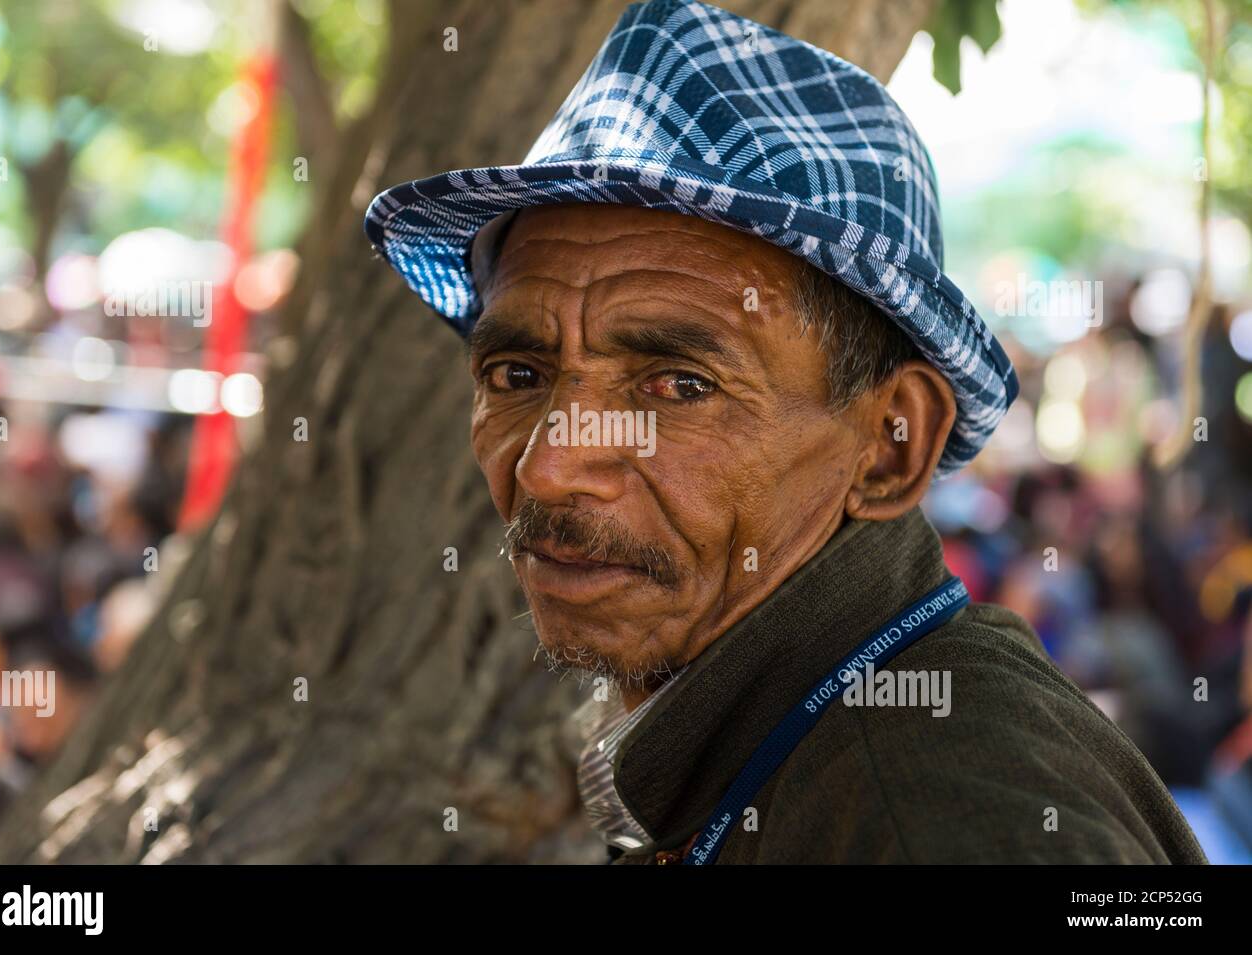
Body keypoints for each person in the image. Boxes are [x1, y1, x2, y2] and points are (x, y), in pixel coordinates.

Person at [363, 0, 1206, 863]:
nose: (548, 467)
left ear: (891, 446)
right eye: (518, 376)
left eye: (678, 385)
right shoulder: (803, 733)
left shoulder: (933, 809)